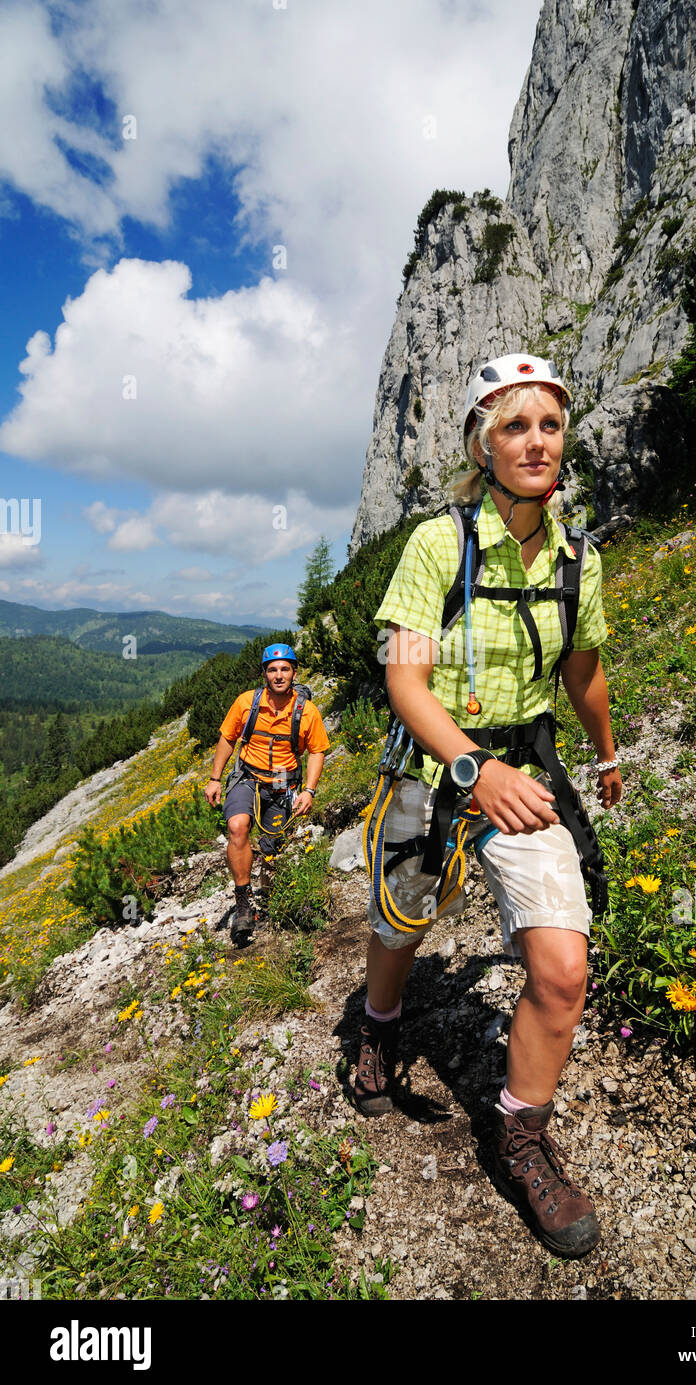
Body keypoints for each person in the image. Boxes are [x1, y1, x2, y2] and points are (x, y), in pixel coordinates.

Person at [354, 353, 623, 1258]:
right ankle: (380, 1025)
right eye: (514, 425)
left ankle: (520, 1136)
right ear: (482, 442)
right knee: (400, 924)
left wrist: (608, 751)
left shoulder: (580, 556)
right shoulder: (439, 543)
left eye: (549, 424)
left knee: (561, 971)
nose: (535, 441)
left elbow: (582, 673)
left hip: (528, 767)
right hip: (438, 769)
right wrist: (476, 772)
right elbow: (404, 679)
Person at [204, 644, 330, 945]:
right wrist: (214, 778)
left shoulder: (306, 711)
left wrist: (309, 790)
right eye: (272, 669)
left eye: (284, 669)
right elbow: (228, 737)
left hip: (283, 785)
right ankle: (244, 905)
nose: (278, 675)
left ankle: (272, 891)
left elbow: (317, 751)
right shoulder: (247, 703)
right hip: (247, 777)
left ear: (294, 673)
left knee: (272, 848)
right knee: (237, 826)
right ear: (264, 674)